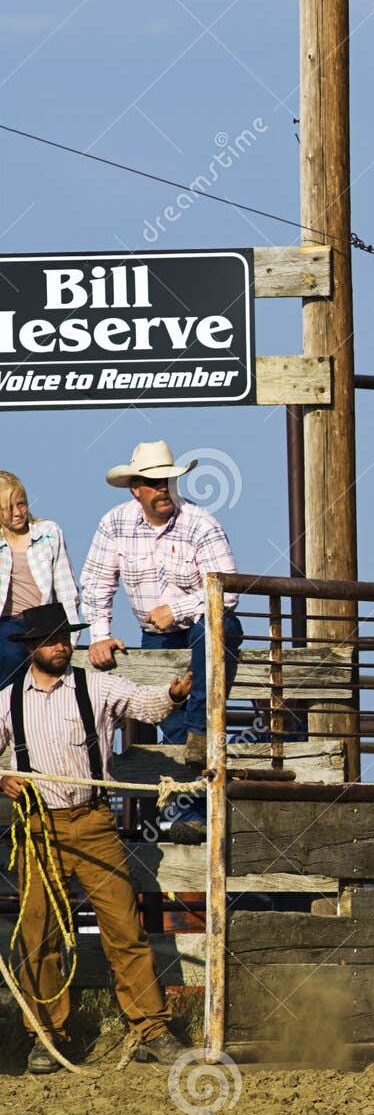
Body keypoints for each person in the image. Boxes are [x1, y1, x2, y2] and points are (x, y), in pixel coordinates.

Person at [0, 603, 193, 1074]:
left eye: (66, 637)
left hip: (92, 822)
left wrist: (173, 693)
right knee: (37, 934)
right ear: (31, 648)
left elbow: (145, 703)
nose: (62, 646)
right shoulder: (6, 701)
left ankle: (150, 1028)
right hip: (37, 826)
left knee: (124, 929)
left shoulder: (96, 684)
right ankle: (47, 1036)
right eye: (51, 640)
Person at [80, 441, 242, 838]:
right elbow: (96, 583)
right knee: (171, 724)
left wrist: (178, 609)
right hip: (157, 636)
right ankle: (194, 814)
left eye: (166, 481)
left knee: (215, 629)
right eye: (152, 483)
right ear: (135, 488)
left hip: (204, 626)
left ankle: (201, 727)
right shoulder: (114, 523)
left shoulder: (200, 522)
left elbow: (228, 591)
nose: (162, 489)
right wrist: (99, 635)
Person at [0, 470, 81, 694]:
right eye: (8, 508)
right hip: (7, 622)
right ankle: (8, 711)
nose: (17, 513)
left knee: (54, 666)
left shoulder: (48, 533)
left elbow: (66, 588)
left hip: (43, 619)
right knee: (10, 654)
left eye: (22, 504)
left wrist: (71, 636)